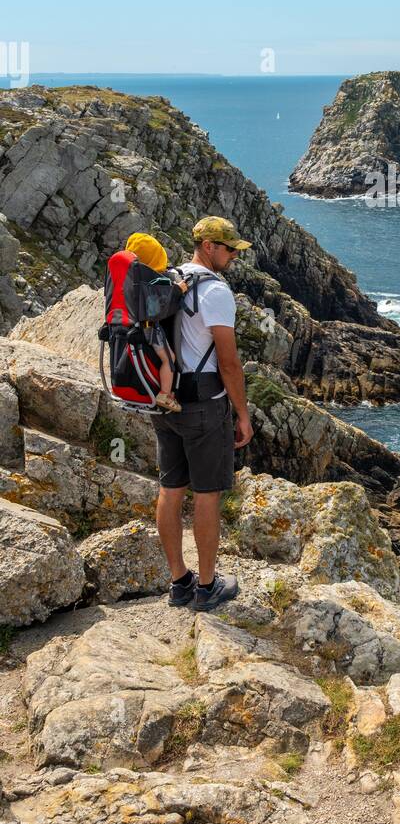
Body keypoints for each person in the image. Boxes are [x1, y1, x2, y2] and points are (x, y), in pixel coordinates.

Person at [153, 216, 254, 612]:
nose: (232, 256)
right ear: (208, 245)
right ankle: (207, 586)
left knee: (170, 489)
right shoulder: (215, 292)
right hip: (204, 406)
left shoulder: (170, 280)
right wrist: (242, 414)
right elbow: (229, 364)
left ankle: (179, 581)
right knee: (207, 494)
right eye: (228, 248)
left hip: (164, 402)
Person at [123, 231, 187, 412]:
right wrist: (178, 290)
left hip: (130, 325)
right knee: (170, 359)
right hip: (149, 329)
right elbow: (155, 308)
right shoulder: (149, 281)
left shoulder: (130, 277)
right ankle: (165, 394)